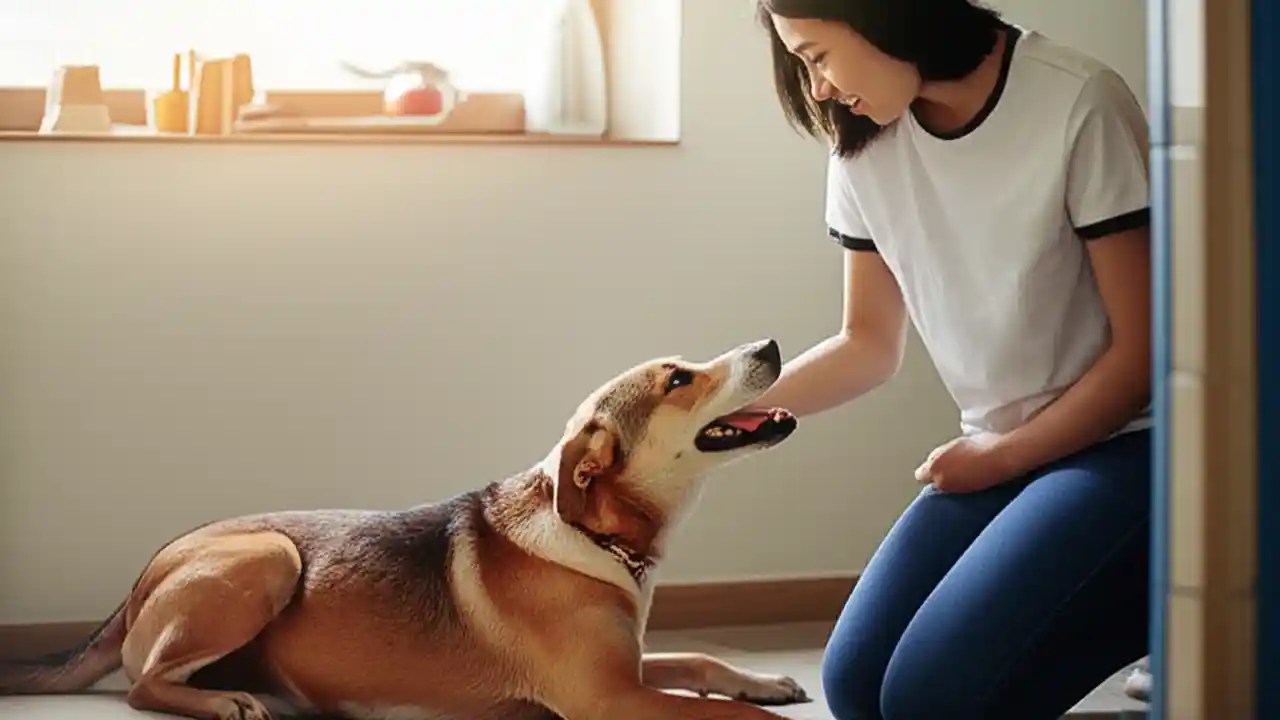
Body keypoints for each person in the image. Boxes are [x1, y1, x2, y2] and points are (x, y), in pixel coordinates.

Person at [748, 1, 1154, 719]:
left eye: (817, 56)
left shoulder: (1076, 100)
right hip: (1008, 453)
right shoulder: (863, 141)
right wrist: (727, 407)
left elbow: (1143, 358)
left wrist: (997, 459)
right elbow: (868, 345)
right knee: (856, 688)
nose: (818, 89)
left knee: (929, 699)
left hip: (1129, 449)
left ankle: (1172, 611)